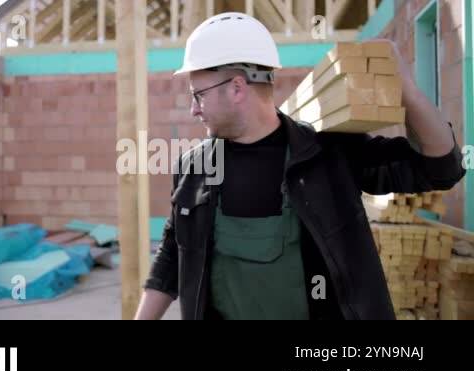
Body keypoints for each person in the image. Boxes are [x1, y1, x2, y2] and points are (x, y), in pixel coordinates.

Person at [134, 12, 466, 320]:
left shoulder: (330, 154)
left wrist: (406, 89)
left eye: (199, 95)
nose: (194, 109)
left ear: (237, 87)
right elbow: (172, 255)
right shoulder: (194, 168)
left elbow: (440, 167)